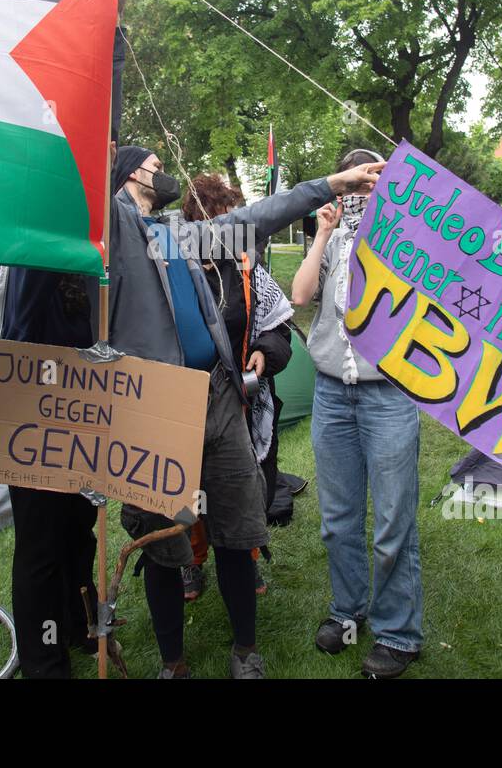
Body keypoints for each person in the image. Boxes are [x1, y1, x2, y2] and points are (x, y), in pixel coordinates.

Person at [111, 145, 383, 678]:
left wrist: (334, 184)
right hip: (154, 408)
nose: (161, 172)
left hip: (217, 400)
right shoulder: (115, 237)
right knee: (165, 540)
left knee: (238, 527)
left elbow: (252, 218)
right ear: (120, 178)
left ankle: (245, 652)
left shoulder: (176, 233)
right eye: (150, 168)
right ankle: (173, 663)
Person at [0, 0, 126, 679]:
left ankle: (76, 626)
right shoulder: (39, 228)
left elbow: (100, 122)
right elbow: (86, 129)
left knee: (78, 522)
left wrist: (113, 32)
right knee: (42, 541)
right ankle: (44, 660)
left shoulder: (86, 228)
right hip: (31, 394)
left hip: (81, 393)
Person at [291, 146, 424, 679]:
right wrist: (321, 233)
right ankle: (348, 612)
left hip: (388, 395)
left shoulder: (405, 244)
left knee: (393, 520)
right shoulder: (330, 238)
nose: (357, 197)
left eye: (370, 185)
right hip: (330, 394)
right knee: (337, 519)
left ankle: (399, 634)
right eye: (350, 187)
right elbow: (301, 297)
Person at [178, 173, 296, 603]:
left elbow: (279, 327)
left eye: (236, 217)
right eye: (223, 218)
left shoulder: (249, 267)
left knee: (242, 484)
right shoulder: (176, 270)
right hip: (187, 399)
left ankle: (244, 556)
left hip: (243, 401)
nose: (232, 227)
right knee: (187, 483)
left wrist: (265, 352)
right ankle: (191, 561)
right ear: (199, 221)